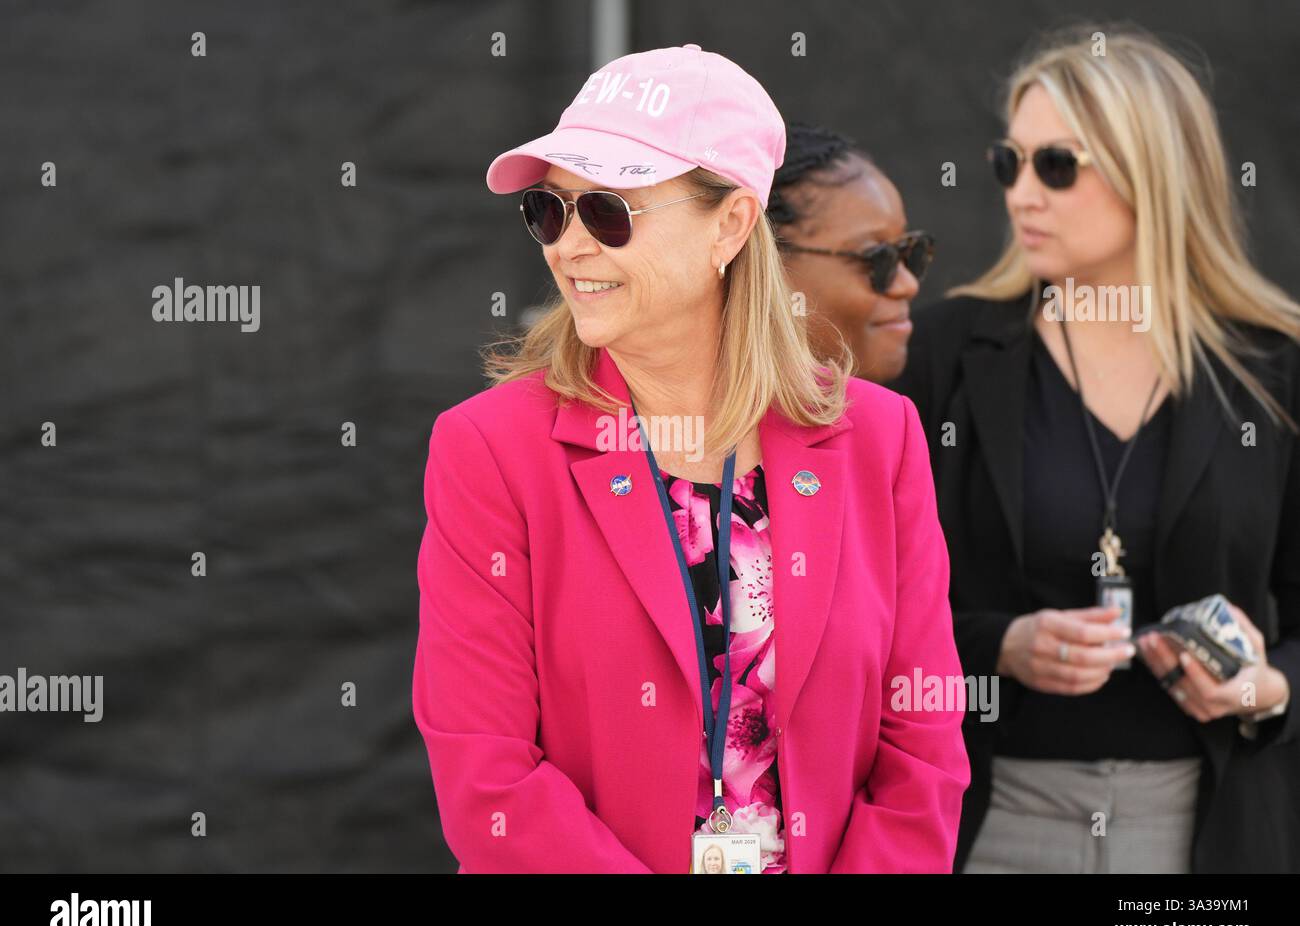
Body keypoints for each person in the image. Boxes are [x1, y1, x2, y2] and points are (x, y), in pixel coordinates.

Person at [412, 43, 969, 873]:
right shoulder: (489, 449)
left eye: (607, 210)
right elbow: (488, 777)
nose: (568, 245)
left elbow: (921, 750)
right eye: (548, 212)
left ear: (734, 222)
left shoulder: (879, 438)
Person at [891, 27, 1300, 873]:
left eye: (1058, 166)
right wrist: (998, 645)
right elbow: (865, 604)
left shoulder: (1273, 369)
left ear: (1153, 173)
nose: (1022, 196)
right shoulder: (941, 354)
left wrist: (1265, 685)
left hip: (1206, 825)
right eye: (1011, 163)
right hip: (988, 815)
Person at [768, 123, 934, 383]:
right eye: (877, 258)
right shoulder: (699, 416)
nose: (908, 285)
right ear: (770, 268)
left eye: (910, 251)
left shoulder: (913, 410)